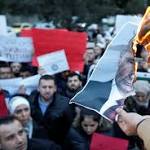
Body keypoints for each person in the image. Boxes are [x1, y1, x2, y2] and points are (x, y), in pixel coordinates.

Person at [30, 74, 75, 145]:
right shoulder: (30, 101)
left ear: (55, 88)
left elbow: (68, 125)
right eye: (44, 87)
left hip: (56, 143)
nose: (47, 90)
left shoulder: (65, 104)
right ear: (38, 88)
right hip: (36, 143)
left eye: (50, 87)